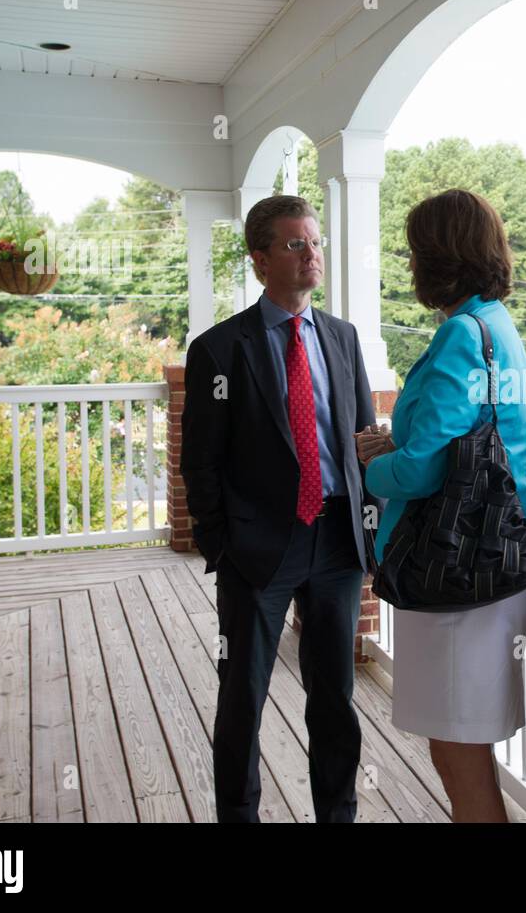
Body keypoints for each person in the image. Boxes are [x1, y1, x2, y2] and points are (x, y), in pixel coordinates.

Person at [180, 194, 384, 822]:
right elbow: (201, 462)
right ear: (260, 258)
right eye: (296, 244)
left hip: (336, 544)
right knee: (242, 697)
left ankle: (337, 815)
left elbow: (364, 443)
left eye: (315, 242)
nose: (311, 254)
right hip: (257, 551)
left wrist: (368, 533)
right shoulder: (219, 351)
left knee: (335, 700)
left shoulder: (344, 339)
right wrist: (224, 544)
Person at [357, 189, 526, 823]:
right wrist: (401, 442)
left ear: (438, 257)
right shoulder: (496, 326)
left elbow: (420, 469)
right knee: (461, 744)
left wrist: (371, 465)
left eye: (416, 251)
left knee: (457, 751)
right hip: (493, 546)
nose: (410, 263)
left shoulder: (460, 337)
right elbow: (468, 434)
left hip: (457, 557)